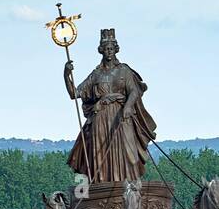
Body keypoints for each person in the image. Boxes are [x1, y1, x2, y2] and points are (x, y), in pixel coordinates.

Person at [65, 28, 156, 182]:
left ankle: (131, 186)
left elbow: (134, 91)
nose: (109, 51)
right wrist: (66, 74)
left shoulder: (124, 71)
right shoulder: (96, 75)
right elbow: (74, 93)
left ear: (116, 50)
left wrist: (128, 106)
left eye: (111, 48)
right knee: (99, 154)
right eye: (106, 49)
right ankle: (101, 186)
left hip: (121, 115)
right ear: (101, 50)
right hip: (101, 117)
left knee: (129, 152)